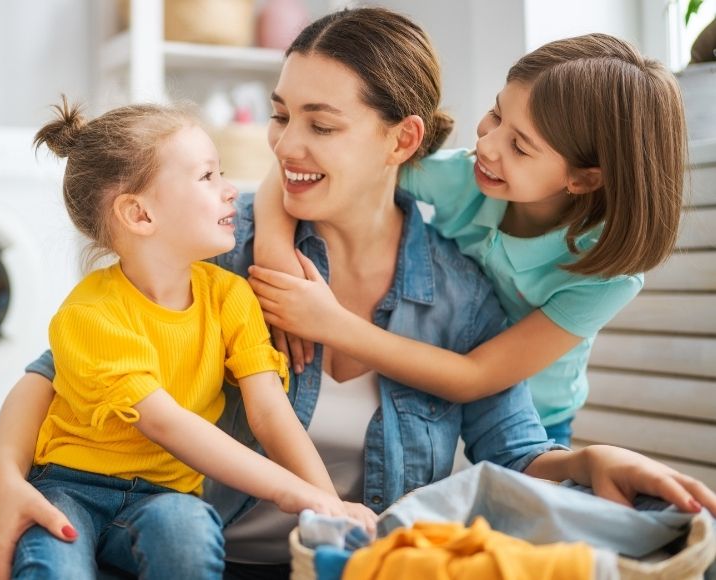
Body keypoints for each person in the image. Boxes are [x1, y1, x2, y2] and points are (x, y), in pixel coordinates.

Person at [0, 10, 716, 580]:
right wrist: (3, 479)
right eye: (279, 115)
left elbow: (515, 451)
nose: (284, 145)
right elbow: (61, 368)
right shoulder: (216, 246)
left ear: (402, 142)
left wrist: (591, 462)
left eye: (321, 124)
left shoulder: (461, 296)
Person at [249, 33, 686, 446]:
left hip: (533, 415)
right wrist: (274, 252)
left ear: (584, 177)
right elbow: (303, 165)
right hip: (429, 392)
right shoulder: (462, 177)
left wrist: (331, 323)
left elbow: (474, 377)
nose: (488, 145)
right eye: (496, 114)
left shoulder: (608, 276)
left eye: (520, 146)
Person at [4, 97, 375, 580]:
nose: (229, 192)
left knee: (189, 531)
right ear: (139, 215)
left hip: (166, 497)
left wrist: (325, 501)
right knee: (52, 564)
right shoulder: (88, 314)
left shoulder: (229, 296)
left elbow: (269, 410)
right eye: (207, 177)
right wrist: (291, 492)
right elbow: (168, 424)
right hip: (68, 489)